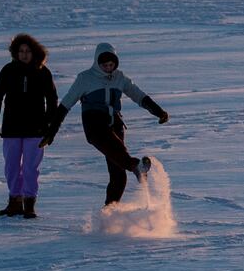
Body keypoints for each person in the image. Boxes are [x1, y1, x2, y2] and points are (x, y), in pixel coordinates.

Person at [42, 42, 170, 206]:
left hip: (115, 125)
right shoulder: (85, 78)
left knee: (118, 175)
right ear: (97, 62)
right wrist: (52, 131)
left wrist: (159, 112)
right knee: (119, 154)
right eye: (104, 65)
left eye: (111, 65)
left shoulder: (120, 78)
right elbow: (65, 105)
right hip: (95, 125)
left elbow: (139, 96)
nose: (108, 68)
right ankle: (135, 166)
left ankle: (109, 213)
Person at [0, 33, 58, 219]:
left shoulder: (43, 72)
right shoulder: (8, 71)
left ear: (34, 52)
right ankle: (14, 201)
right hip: (11, 128)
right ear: (15, 53)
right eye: (21, 51)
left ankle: (29, 203)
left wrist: (51, 128)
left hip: (36, 129)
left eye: (28, 51)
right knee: (11, 166)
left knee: (30, 168)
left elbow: (52, 101)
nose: (24, 54)